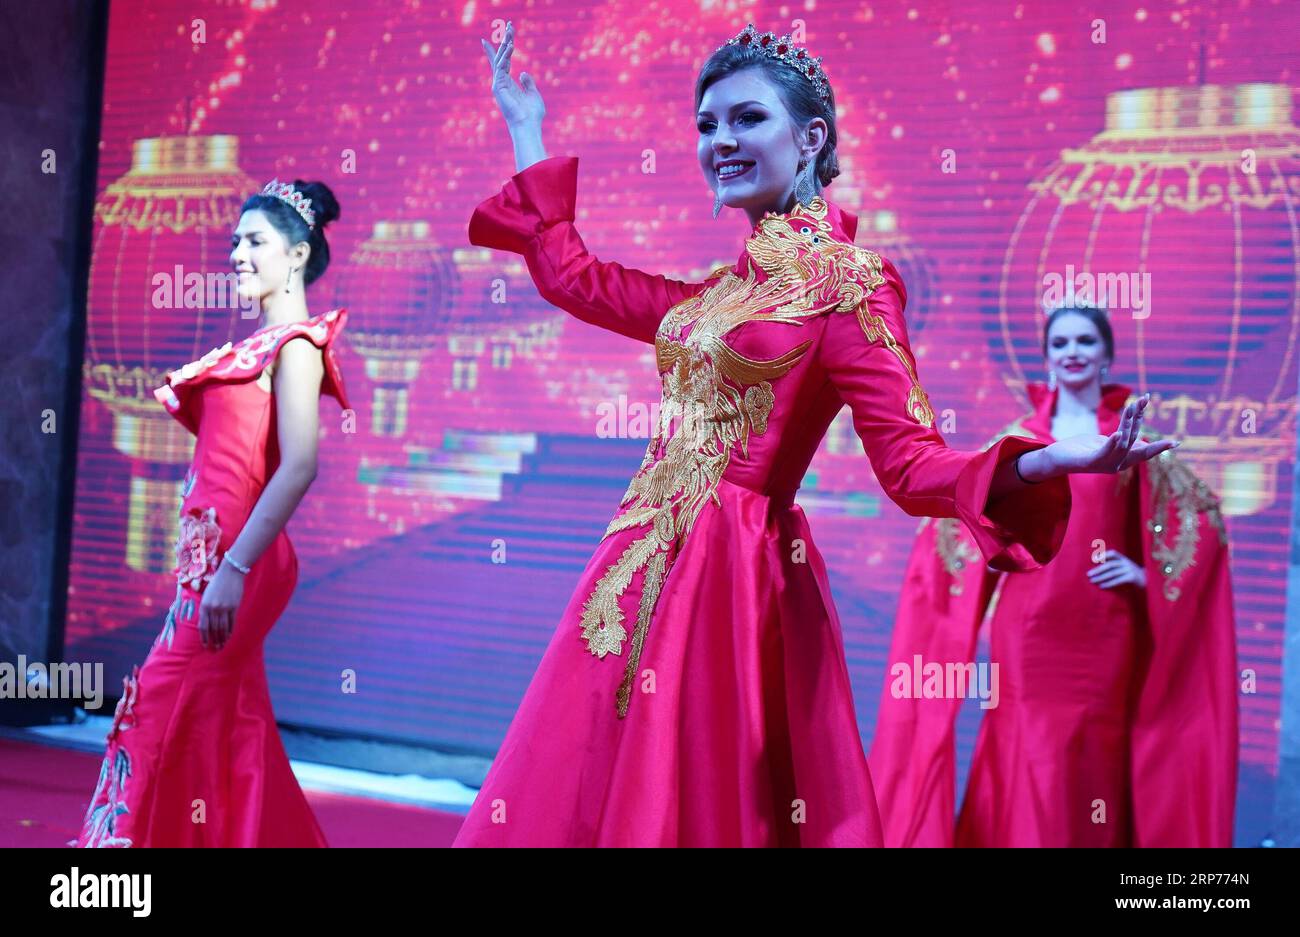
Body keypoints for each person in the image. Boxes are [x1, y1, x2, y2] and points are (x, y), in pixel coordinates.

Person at [453, 22, 1177, 847]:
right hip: (637, 561)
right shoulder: (718, 292)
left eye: (747, 119)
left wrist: (1047, 458)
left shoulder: (853, 285)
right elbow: (573, 277)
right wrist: (524, 124)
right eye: (705, 124)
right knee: (592, 776)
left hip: (728, 577)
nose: (719, 140)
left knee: (699, 801)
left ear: (811, 138)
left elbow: (909, 462)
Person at [868, 304, 1237, 847]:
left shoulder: (1134, 442)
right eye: (1060, 344)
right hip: (1029, 632)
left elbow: (1196, 532)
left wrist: (1145, 575)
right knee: (1027, 744)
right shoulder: (1018, 444)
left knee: (1096, 747)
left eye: (1085, 341)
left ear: (1107, 353)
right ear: (1045, 358)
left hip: (1106, 629)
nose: (1073, 353)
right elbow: (960, 529)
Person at [75, 178, 350, 847]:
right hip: (212, 562)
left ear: (296, 252)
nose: (237, 253)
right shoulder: (255, 346)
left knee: (153, 707)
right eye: (234, 241)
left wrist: (232, 566)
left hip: (238, 565)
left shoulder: (297, 347)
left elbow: (300, 465)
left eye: (255, 240)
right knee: (227, 722)